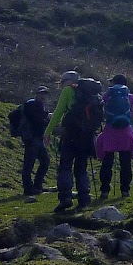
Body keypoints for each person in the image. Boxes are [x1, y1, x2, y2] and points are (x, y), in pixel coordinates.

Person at [45, 70, 101, 212]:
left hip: (71, 135)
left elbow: (58, 112)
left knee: (65, 166)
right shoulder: (92, 94)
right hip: (87, 136)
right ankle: (84, 198)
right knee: (81, 168)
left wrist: (48, 132)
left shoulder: (68, 91)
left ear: (66, 81)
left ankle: (66, 198)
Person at [97, 73, 133, 199]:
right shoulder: (130, 96)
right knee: (125, 162)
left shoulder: (108, 94)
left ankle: (104, 190)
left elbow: (101, 109)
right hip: (125, 131)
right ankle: (125, 190)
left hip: (110, 131)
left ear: (114, 83)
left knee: (107, 163)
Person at [10, 86, 52, 201]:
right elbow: (36, 119)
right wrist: (47, 117)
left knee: (44, 161)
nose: (44, 96)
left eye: (45, 94)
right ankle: (30, 188)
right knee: (31, 164)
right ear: (37, 94)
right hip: (31, 138)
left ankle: (36, 186)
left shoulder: (37, 105)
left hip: (36, 138)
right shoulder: (31, 104)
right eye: (42, 93)